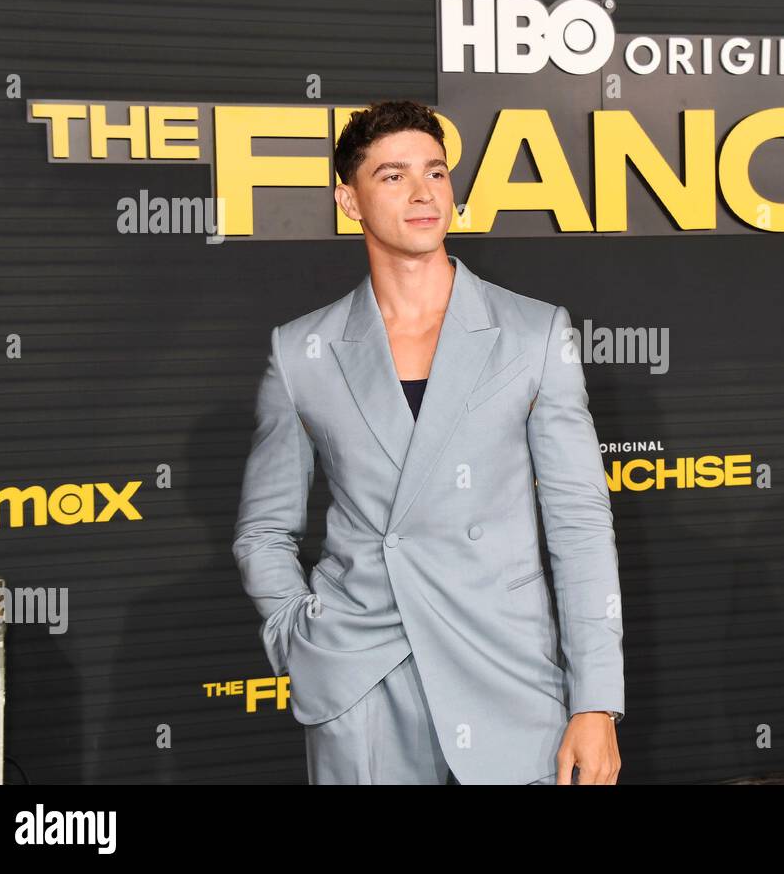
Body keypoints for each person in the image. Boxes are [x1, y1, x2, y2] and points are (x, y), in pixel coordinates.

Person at [231, 100, 624, 784]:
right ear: (347, 201)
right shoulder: (302, 352)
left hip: (506, 674)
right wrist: (299, 638)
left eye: (436, 172)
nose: (422, 193)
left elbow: (580, 524)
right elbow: (262, 532)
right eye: (392, 176)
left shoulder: (534, 334)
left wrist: (595, 702)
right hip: (362, 680)